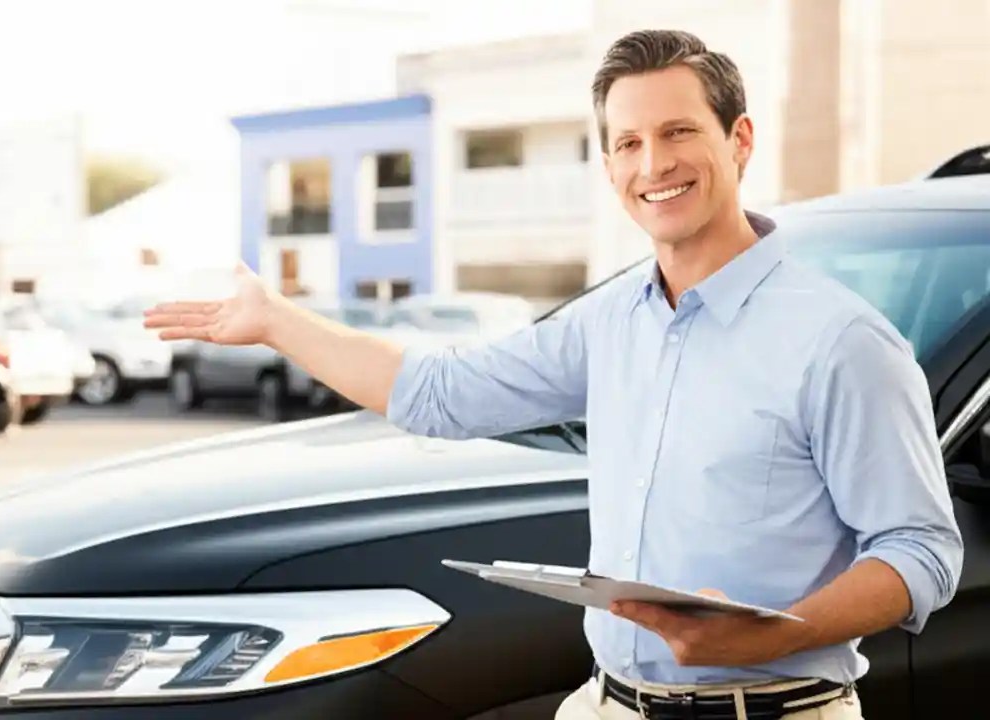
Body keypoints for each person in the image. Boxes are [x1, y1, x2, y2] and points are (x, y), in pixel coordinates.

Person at [144, 29, 963, 720]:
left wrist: (778, 632)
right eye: (629, 143)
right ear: (608, 167)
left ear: (738, 141)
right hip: (610, 703)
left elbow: (922, 551)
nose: (655, 164)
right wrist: (277, 321)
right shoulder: (609, 321)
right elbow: (439, 393)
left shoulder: (842, 341)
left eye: (680, 133)